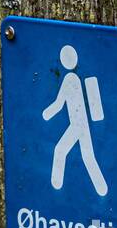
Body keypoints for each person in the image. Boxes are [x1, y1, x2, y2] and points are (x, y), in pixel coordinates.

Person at [43, 45, 108, 197]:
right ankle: (101, 190)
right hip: (79, 125)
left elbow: (59, 104)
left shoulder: (70, 79)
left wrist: (47, 114)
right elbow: (62, 104)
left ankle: (56, 188)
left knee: (64, 151)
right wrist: (47, 114)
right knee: (85, 156)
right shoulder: (79, 78)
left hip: (79, 125)